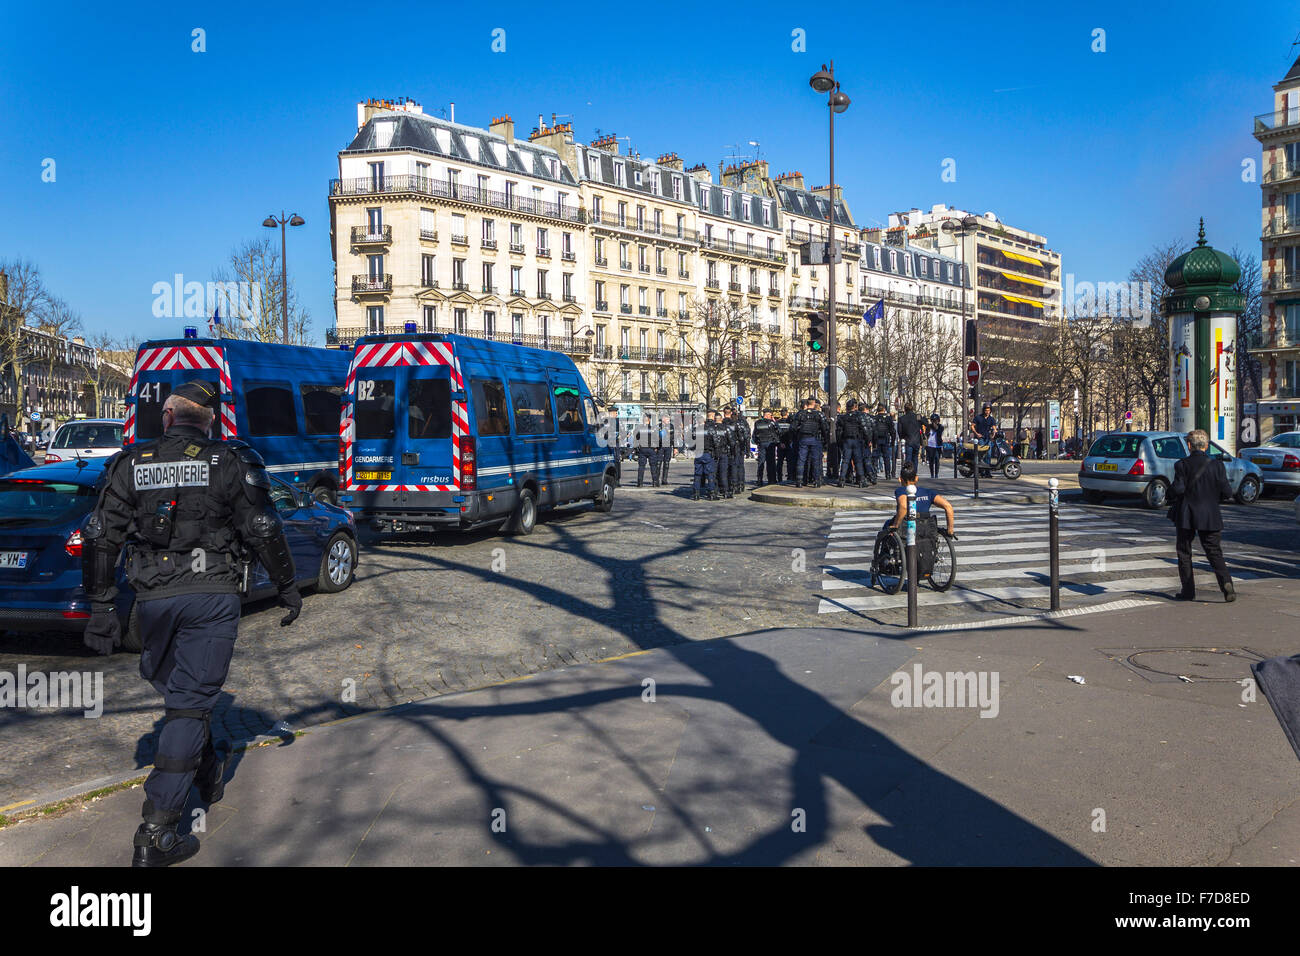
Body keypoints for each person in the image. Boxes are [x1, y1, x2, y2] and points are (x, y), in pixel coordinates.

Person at [80, 380, 302, 867]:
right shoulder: (229, 461)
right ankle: (157, 835)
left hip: (153, 601)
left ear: (166, 418)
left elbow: (100, 535)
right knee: (186, 704)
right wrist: (287, 585)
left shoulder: (131, 464)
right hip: (211, 596)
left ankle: (190, 780)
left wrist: (100, 607)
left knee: (184, 698)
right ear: (211, 420)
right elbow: (263, 527)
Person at [1169, 429, 1235, 602]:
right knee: (1214, 552)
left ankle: (1188, 591)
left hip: (1186, 513)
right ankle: (1226, 584)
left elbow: (1178, 489)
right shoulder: (1217, 465)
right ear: (1206, 446)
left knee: (1184, 552)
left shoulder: (1182, 464)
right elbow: (1227, 492)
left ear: (1189, 446)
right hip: (1210, 513)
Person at [885, 462, 957, 541]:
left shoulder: (901, 491)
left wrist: (896, 525)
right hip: (926, 527)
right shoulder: (928, 492)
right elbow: (948, 506)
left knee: (887, 525)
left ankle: (884, 551)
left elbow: (904, 506)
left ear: (900, 479)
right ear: (916, 478)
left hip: (906, 528)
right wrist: (950, 530)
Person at [790, 398, 825, 488]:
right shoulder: (819, 414)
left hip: (803, 438)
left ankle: (799, 481)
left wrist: (798, 435)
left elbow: (793, 427)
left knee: (801, 460)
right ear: (813, 403)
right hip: (814, 438)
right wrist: (824, 439)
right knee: (815, 460)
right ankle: (816, 481)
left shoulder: (800, 414)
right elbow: (825, 427)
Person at [834, 400, 868, 488]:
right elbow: (864, 429)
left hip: (846, 440)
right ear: (855, 407)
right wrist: (867, 440)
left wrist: (839, 442)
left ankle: (842, 480)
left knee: (845, 461)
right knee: (858, 461)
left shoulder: (842, 417)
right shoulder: (859, 416)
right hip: (856, 440)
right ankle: (861, 480)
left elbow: (838, 431)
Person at [691, 410, 721, 501]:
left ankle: (696, 494)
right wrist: (717, 454)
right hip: (707, 453)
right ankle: (711, 493)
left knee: (697, 474)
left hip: (698, 454)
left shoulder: (695, 430)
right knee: (710, 474)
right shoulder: (710, 429)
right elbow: (716, 442)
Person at [752, 409, 780, 486]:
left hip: (761, 444)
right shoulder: (772, 423)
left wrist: (758, 443)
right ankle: (772, 479)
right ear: (767, 415)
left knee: (761, 462)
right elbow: (779, 431)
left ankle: (759, 479)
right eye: (770, 415)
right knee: (771, 462)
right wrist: (775, 422)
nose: (771, 416)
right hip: (770, 444)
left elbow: (754, 435)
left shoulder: (757, 423)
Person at [730, 405, 751, 492]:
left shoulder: (730, 423)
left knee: (734, 466)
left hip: (733, 447)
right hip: (740, 446)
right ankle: (741, 484)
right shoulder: (743, 423)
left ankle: (735, 484)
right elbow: (747, 437)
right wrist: (747, 450)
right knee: (740, 466)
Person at [970, 403, 996, 473]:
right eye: (986, 410)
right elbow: (972, 426)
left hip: (988, 438)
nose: (987, 412)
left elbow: (994, 427)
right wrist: (976, 433)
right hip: (980, 438)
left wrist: (994, 433)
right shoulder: (978, 417)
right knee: (982, 454)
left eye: (988, 410)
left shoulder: (991, 419)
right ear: (983, 410)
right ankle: (982, 470)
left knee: (989, 454)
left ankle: (987, 471)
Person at [897, 404, 922, 471]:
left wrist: (902, 437)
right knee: (915, 458)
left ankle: (908, 473)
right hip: (917, 440)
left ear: (905, 410)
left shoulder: (902, 418)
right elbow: (924, 424)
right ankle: (914, 473)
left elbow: (899, 431)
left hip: (908, 440)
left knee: (908, 458)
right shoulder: (917, 417)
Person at [635, 414, 656, 487]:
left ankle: (640, 483)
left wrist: (636, 448)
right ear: (649, 420)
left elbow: (636, 437)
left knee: (641, 466)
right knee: (653, 466)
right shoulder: (653, 428)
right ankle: (655, 482)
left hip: (642, 449)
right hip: (651, 449)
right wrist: (656, 447)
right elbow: (658, 439)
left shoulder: (639, 428)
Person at [924, 413, 944, 479]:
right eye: (933, 420)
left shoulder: (941, 426)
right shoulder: (929, 427)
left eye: (935, 420)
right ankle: (932, 474)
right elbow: (926, 434)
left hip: (937, 445)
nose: (934, 422)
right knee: (931, 460)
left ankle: (936, 474)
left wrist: (935, 426)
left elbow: (939, 432)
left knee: (937, 459)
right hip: (930, 445)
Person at [655, 415, 674, 486]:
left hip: (668, 446)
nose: (669, 421)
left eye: (669, 420)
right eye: (667, 420)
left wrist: (675, 448)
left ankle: (664, 479)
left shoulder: (671, 426)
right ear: (663, 420)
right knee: (658, 463)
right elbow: (655, 437)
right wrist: (655, 447)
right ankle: (656, 480)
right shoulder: (658, 426)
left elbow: (673, 437)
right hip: (660, 446)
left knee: (666, 463)